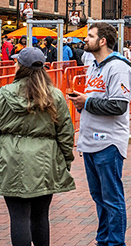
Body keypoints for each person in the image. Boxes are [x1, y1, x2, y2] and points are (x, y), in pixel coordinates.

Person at [67, 22, 131, 246]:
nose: (85, 39)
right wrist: (81, 103)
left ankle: (115, 242)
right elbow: (96, 100)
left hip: (108, 142)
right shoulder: (94, 66)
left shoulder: (119, 67)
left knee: (112, 198)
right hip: (90, 141)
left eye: (90, 36)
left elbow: (118, 106)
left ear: (103, 41)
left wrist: (88, 102)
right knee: (99, 197)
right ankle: (103, 239)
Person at [0, 47, 75, 246]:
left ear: (20, 67)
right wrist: (66, 159)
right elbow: (66, 132)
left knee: (18, 217)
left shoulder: (4, 93)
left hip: (11, 158)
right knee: (41, 216)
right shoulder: (55, 95)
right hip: (45, 160)